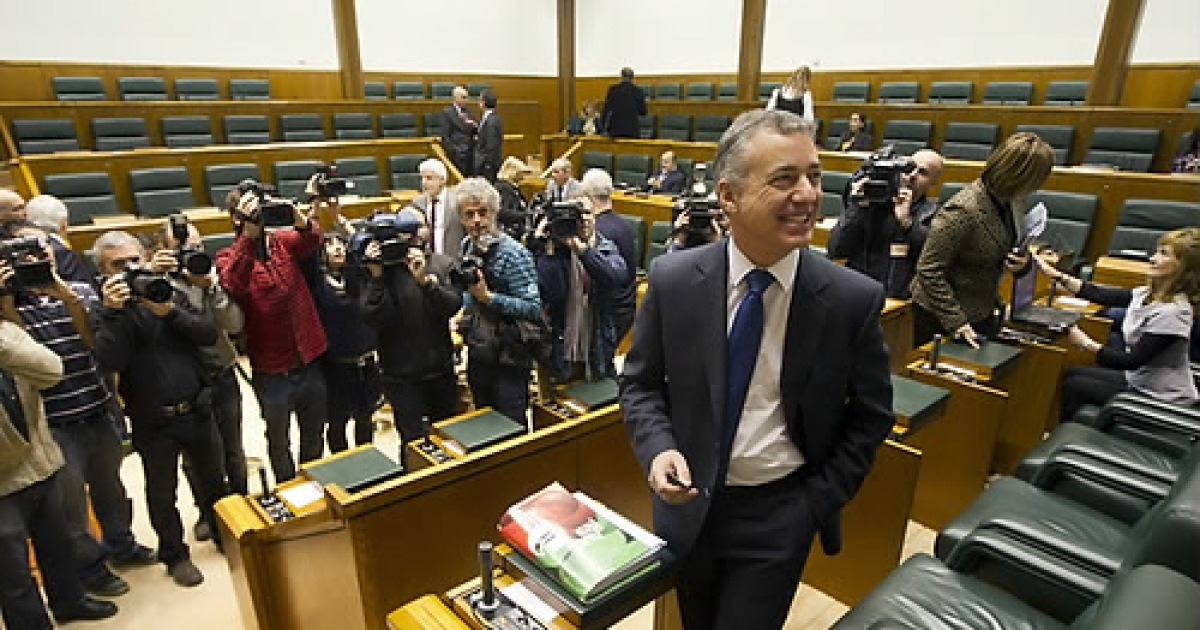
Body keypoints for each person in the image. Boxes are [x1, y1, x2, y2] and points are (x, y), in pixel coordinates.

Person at [620, 110, 894, 630]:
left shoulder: (850, 299)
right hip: (689, 507)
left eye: (814, 176)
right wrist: (658, 449)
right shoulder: (674, 279)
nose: (808, 195)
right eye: (784, 179)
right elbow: (640, 384)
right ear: (728, 197)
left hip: (781, 512)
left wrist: (814, 504)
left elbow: (872, 415)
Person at [0, 242, 154, 598]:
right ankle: (90, 568)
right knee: (71, 505)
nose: (36, 260)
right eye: (23, 257)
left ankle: (122, 544)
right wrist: (8, 301)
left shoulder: (82, 291)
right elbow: (24, 353)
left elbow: (94, 343)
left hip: (98, 406)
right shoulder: (9, 307)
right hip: (53, 420)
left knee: (110, 487)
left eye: (42, 252)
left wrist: (65, 294)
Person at [91, 231, 228, 588]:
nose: (129, 269)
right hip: (154, 420)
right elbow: (110, 360)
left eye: (134, 260)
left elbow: (206, 334)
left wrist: (167, 311)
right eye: (118, 265)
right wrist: (114, 313)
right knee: (161, 492)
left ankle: (223, 535)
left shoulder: (168, 291)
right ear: (103, 271)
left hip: (197, 408)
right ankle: (175, 555)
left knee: (214, 480)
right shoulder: (104, 310)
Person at [0, 319, 118, 627]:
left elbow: (52, 371)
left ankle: (69, 601)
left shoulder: (8, 332)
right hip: (2, 483)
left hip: (42, 463)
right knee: (14, 572)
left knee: (58, 545)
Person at [216, 183, 328, 484]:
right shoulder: (228, 255)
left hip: (308, 358)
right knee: (279, 441)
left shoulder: (281, 241)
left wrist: (298, 217)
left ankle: (314, 485)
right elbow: (233, 283)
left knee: (314, 433)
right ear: (235, 217)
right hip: (272, 369)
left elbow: (313, 238)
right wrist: (249, 238)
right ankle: (289, 490)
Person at [146, 219, 246, 542]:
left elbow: (232, 325)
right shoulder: (158, 287)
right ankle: (208, 511)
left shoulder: (211, 279)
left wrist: (210, 288)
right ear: (165, 252)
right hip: (191, 381)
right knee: (197, 457)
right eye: (183, 249)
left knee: (233, 447)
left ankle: (242, 505)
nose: (192, 254)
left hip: (223, 372)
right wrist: (157, 277)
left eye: (197, 247)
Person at [1036, 228, 1200, 422]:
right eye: (1157, 251)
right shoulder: (1149, 294)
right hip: (1139, 381)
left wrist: (1084, 342)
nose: (1152, 259)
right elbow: (1101, 294)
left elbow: (1130, 361)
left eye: (1163, 254)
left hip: (1161, 396)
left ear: (1183, 267)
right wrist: (1055, 274)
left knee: (1075, 386)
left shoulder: (1174, 312)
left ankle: (1072, 439)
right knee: (1071, 372)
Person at [910, 132, 1054, 347]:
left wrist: (1021, 264)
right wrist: (956, 322)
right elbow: (929, 270)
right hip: (940, 318)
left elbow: (1007, 242)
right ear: (1018, 175)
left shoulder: (1013, 200)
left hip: (982, 308)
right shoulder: (962, 210)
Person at [361, 208, 462, 466]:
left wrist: (425, 282)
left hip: (440, 371)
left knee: (450, 438)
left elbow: (452, 304)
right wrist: (377, 278)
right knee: (412, 445)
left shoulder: (437, 264)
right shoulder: (377, 274)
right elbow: (373, 317)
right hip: (401, 377)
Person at [456, 178, 542, 423]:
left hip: (510, 357)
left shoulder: (514, 253)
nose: (477, 221)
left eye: (483, 213)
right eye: (469, 214)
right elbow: (469, 290)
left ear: (494, 213)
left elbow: (533, 308)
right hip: (480, 352)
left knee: (510, 426)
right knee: (482, 422)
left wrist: (489, 298)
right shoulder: (466, 246)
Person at [531, 195, 627, 381]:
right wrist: (547, 247)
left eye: (586, 213)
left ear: (595, 216)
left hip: (596, 346)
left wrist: (582, 249)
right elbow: (552, 295)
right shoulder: (554, 253)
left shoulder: (606, 248)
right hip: (560, 349)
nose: (582, 220)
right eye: (575, 215)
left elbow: (615, 277)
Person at [827, 149, 945, 298]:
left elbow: (934, 257)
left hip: (898, 301)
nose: (912, 175)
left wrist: (907, 223)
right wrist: (856, 209)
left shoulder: (935, 213)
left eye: (923, 172)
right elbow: (836, 249)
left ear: (933, 183)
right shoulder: (869, 205)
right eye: (909, 168)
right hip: (857, 293)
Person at [312, 232, 379, 453]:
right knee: (337, 421)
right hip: (336, 365)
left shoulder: (358, 277)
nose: (337, 248)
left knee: (365, 417)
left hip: (365, 361)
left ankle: (368, 461)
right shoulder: (317, 283)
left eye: (340, 244)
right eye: (330, 245)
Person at [579, 168, 638, 342]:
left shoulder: (596, 232)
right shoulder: (625, 225)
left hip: (607, 313)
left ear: (587, 194)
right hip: (626, 308)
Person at [410, 159, 465, 258]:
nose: (424, 183)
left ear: (442, 180)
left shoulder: (457, 202)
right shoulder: (417, 203)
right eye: (422, 178)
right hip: (427, 264)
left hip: (453, 261)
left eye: (429, 178)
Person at [441, 85, 478, 177]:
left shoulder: (469, 111)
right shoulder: (447, 112)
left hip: (470, 153)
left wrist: (474, 125)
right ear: (455, 98)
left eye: (467, 97)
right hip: (457, 154)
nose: (467, 100)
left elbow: (476, 132)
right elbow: (445, 136)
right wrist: (454, 152)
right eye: (464, 97)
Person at [602, 67, 648, 139]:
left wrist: (604, 129)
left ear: (621, 77)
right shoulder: (638, 91)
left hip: (615, 130)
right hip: (632, 130)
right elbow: (643, 112)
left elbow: (606, 110)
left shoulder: (612, 90)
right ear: (632, 78)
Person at [495, 156, 533, 240]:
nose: (523, 176)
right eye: (521, 173)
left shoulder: (513, 188)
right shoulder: (503, 188)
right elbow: (502, 212)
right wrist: (525, 215)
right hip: (509, 234)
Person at [474, 90, 503, 183]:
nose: (478, 103)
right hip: (486, 163)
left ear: (483, 103)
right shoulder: (491, 118)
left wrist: (488, 164)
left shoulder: (491, 121)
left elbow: (492, 144)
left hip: (487, 165)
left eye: (480, 100)